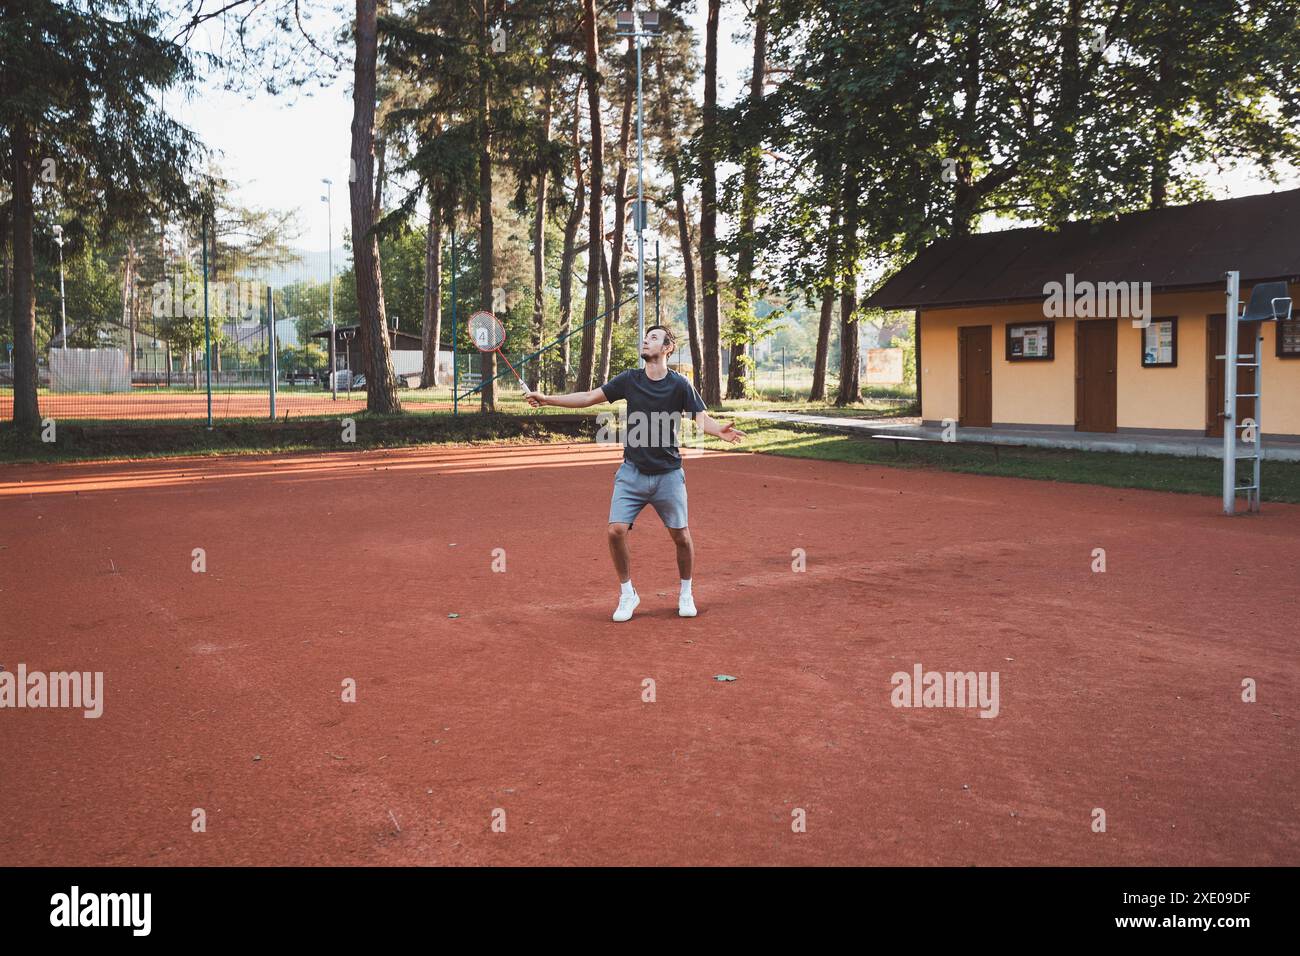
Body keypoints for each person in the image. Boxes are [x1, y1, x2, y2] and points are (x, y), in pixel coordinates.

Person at [524, 325, 745, 621]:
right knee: (615, 531)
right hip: (632, 473)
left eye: (653, 337)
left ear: (667, 348)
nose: (645, 340)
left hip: (669, 475)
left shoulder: (680, 385)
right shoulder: (630, 379)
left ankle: (686, 592)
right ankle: (628, 593)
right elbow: (590, 397)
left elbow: (700, 418)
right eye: (644, 337)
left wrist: (719, 431)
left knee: (681, 536)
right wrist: (548, 399)